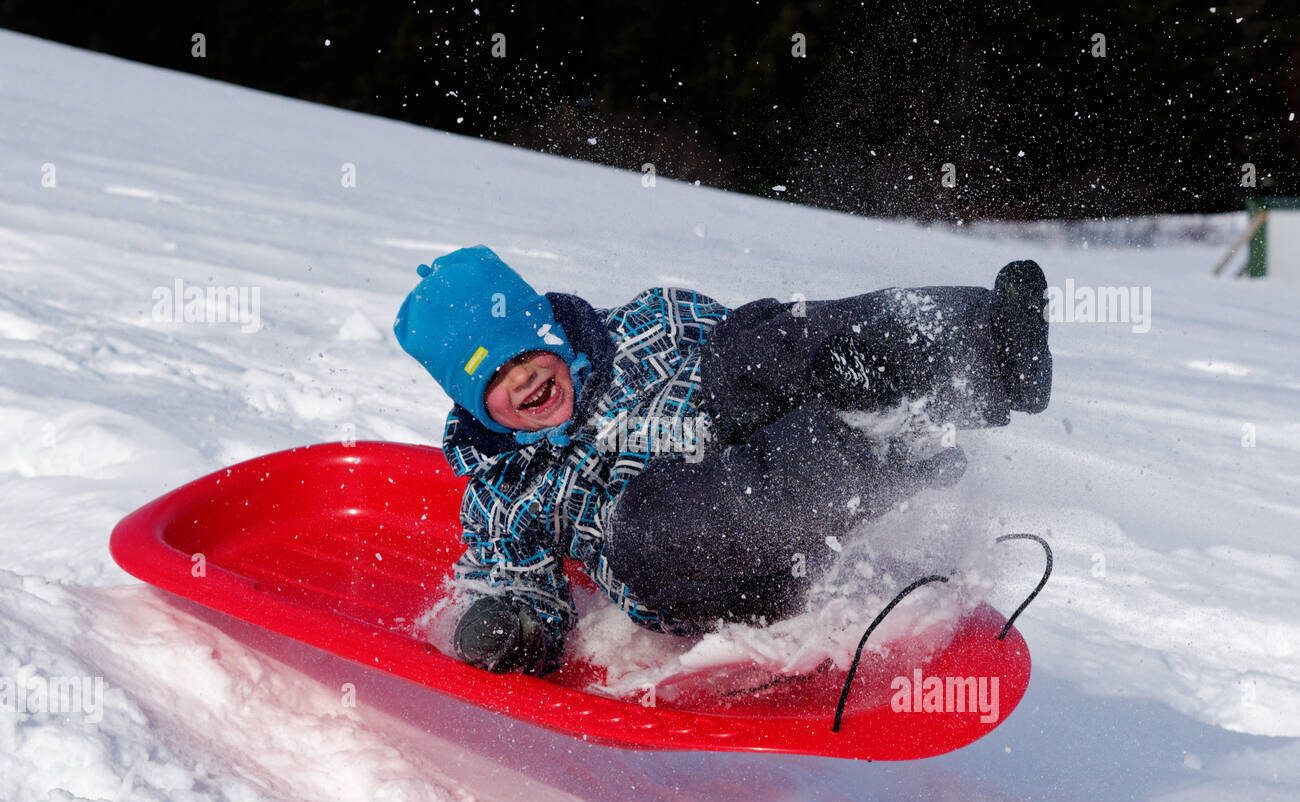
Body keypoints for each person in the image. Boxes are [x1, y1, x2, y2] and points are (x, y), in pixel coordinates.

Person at [393, 245, 1051, 675]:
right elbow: (515, 581)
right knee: (649, 521)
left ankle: (985, 349)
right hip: (718, 569)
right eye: (493, 378)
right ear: (474, 403)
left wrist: (788, 365)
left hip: (783, 462)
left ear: (551, 332)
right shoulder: (505, 494)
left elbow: (779, 354)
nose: (522, 380)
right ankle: (882, 439)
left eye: (526, 353)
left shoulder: (649, 324)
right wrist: (508, 630)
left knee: (745, 344)